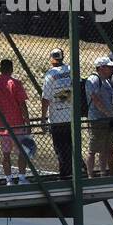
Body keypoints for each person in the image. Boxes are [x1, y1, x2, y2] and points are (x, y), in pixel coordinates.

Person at [0, 59, 30, 185]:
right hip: (17, 123)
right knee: (22, 152)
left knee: (6, 154)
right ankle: (21, 178)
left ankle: (9, 180)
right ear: (11, 69)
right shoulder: (15, 83)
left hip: (2, 126)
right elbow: (22, 104)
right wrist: (27, 122)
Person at [41, 47, 75, 178]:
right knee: (70, 145)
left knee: (60, 148)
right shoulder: (71, 70)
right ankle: (73, 170)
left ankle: (65, 174)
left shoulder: (50, 74)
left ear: (52, 58)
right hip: (70, 115)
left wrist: (43, 118)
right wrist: (65, 95)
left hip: (56, 117)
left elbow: (46, 98)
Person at [85, 55, 113, 176]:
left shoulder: (107, 81)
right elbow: (95, 99)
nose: (111, 69)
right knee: (93, 149)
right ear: (102, 68)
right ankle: (90, 175)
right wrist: (108, 113)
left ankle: (103, 173)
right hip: (97, 119)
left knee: (104, 148)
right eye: (108, 67)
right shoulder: (93, 80)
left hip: (107, 120)